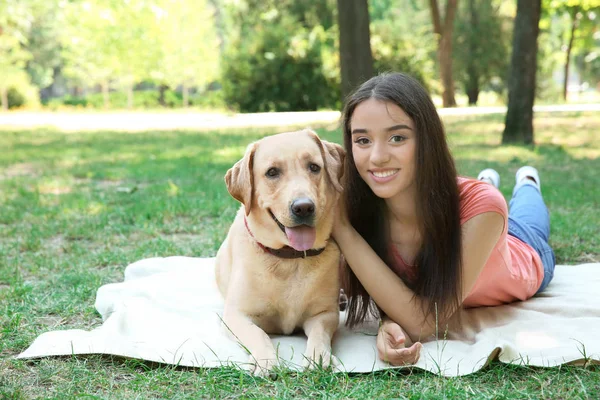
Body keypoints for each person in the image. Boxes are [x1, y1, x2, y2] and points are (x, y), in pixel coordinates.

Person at [332, 72, 556, 366]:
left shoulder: (484, 208)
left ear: (427, 140)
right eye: (362, 140)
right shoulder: (360, 208)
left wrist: (342, 229)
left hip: (521, 249)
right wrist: (389, 322)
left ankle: (527, 180)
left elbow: (426, 322)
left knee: (528, 211)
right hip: (472, 217)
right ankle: (488, 178)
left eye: (397, 137)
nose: (376, 157)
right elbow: (393, 287)